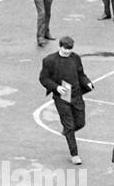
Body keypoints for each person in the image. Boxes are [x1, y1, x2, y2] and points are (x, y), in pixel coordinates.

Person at [38, 37, 95, 165]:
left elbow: (81, 74)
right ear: (60, 47)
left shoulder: (75, 58)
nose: (67, 52)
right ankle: (74, 154)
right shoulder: (49, 60)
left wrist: (87, 82)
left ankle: (68, 132)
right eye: (65, 50)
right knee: (69, 125)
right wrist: (56, 87)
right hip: (62, 96)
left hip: (76, 94)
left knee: (80, 122)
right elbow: (44, 79)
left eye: (69, 50)